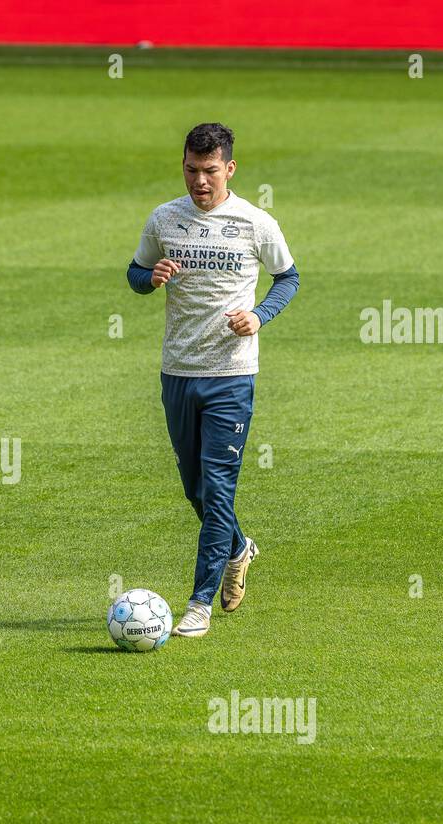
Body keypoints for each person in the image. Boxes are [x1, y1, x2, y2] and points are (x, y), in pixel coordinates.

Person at [127, 122, 300, 637]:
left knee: (219, 490)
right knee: (195, 489)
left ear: (230, 168)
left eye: (209, 171)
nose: (199, 182)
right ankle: (240, 546)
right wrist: (150, 277)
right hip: (178, 370)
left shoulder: (254, 222)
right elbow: (134, 274)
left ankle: (200, 602)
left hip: (231, 374)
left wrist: (260, 315)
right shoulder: (164, 219)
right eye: (190, 170)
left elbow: (288, 277)